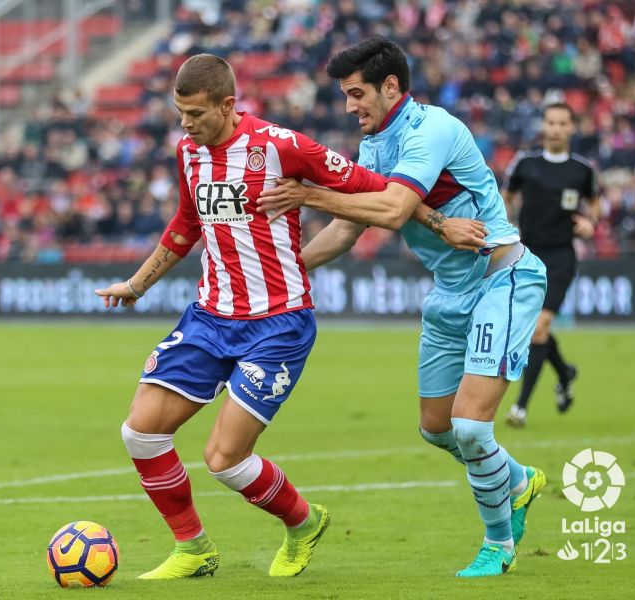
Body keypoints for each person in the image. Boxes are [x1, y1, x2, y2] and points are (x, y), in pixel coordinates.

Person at [95, 53, 486, 581]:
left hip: (277, 324)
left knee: (224, 460)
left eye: (195, 113)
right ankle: (193, 548)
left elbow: (377, 190)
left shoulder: (283, 146)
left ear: (228, 105)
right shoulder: (189, 153)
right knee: (140, 433)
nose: (185, 123)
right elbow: (185, 224)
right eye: (179, 112)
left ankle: (303, 522)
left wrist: (442, 224)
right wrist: (137, 285)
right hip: (209, 317)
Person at [257, 37, 547, 578]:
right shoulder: (373, 146)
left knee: (470, 428)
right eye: (345, 96)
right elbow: (349, 227)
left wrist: (309, 194)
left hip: (501, 278)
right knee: (436, 428)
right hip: (448, 293)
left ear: (392, 86)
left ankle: (498, 545)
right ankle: (518, 481)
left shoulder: (430, 130)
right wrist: (285, 268)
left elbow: (392, 210)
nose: (350, 107)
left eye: (357, 93)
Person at [503, 103, 599, 427]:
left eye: (562, 123)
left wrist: (590, 223)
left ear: (572, 127)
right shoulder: (525, 163)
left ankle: (520, 408)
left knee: (538, 328)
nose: (556, 128)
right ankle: (565, 372)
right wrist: (506, 225)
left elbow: (594, 205)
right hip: (527, 255)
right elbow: (506, 195)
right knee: (537, 330)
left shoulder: (582, 169)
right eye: (551, 122)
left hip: (560, 257)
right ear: (543, 126)